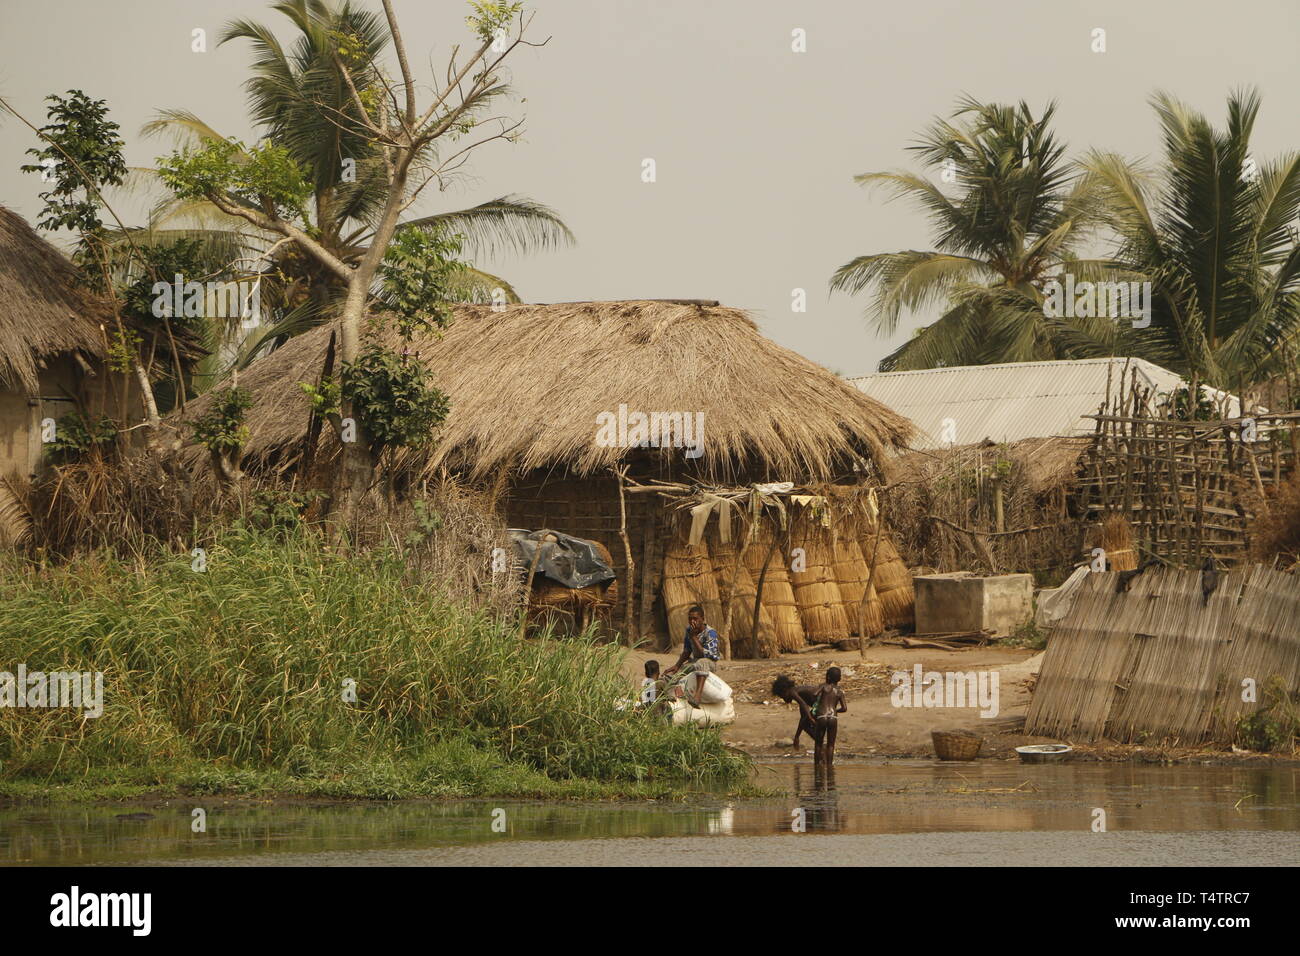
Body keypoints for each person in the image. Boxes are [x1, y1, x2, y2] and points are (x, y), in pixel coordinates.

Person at [664, 606, 721, 706]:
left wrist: (694, 637)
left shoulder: (710, 633)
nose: (692, 621)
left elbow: (706, 654)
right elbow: (687, 651)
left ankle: (697, 697)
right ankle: (667, 697)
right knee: (671, 676)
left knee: (701, 662)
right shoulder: (689, 630)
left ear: (702, 619)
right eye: (690, 619)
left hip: (709, 662)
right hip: (695, 661)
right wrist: (677, 666)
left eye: (695, 619)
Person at [771, 674, 820, 750]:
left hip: (821, 703)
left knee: (808, 724)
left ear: (784, 690)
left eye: (782, 696)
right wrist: (797, 737)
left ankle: (820, 743)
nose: (784, 700)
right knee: (806, 724)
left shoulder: (792, 692)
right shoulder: (800, 694)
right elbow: (803, 717)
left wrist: (810, 718)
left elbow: (804, 705)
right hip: (822, 703)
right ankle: (820, 743)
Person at [811, 667, 847, 766]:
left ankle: (817, 767)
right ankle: (829, 767)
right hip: (833, 717)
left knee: (818, 743)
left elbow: (814, 694)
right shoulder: (839, 691)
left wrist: (818, 704)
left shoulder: (823, 686)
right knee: (831, 745)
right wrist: (836, 711)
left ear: (827, 677)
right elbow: (844, 708)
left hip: (822, 715)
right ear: (839, 679)